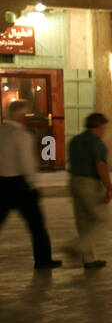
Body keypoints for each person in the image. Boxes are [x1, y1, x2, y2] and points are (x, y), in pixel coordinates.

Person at [0, 99, 62, 270]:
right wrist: (33, 185)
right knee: (36, 225)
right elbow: (27, 163)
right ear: (21, 117)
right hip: (19, 184)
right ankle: (43, 259)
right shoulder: (22, 135)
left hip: (1, 183)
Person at [67, 112, 112, 269]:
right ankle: (78, 247)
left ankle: (89, 259)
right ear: (98, 126)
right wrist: (109, 187)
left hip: (75, 181)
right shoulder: (97, 143)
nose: (104, 130)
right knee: (102, 219)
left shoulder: (74, 141)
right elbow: (101, 166)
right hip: (89, 183)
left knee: (83, 222)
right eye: (104, 127)